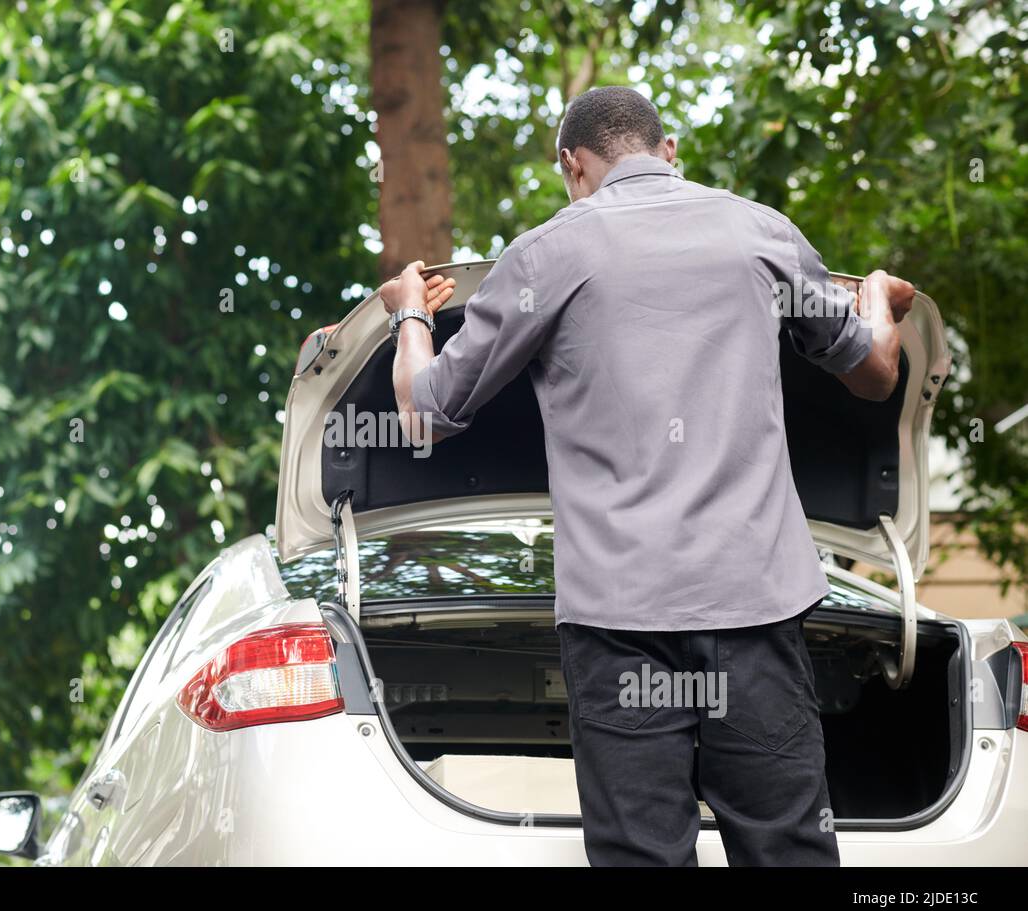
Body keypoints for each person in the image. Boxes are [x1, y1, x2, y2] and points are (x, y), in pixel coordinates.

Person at [380, 86, 915, 866]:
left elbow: (425, 413)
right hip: (757, 612)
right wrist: (871, 295)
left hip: (617, 628)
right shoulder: (761, 233)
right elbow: (874, 372)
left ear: (573, 164)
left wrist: (408, 314)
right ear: (669, 153)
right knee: (790, 851)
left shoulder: (547, 254)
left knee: (641, 857)